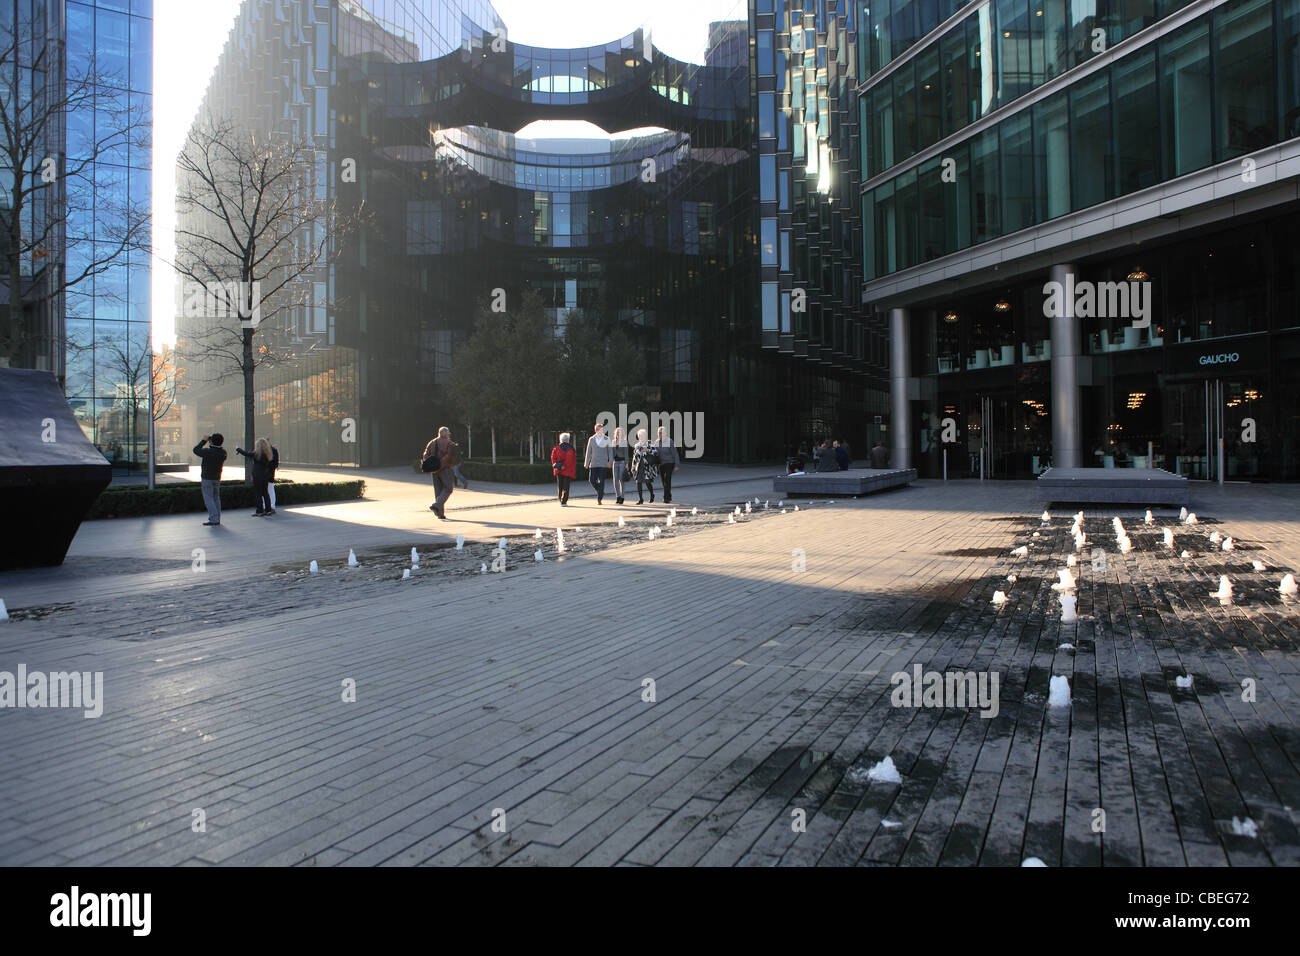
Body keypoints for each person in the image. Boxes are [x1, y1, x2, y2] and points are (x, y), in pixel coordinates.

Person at [235, 437, 279, 516]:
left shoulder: (257, 454)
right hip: (265, 475)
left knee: (258, 493)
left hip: (257, 475)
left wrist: (238, 449)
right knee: (265, 493)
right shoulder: (268, 454)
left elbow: (246, 454)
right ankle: (268, 510)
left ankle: (259, 511)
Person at [422, 426, 458, 519]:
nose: (449, 435)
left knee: (438, 491)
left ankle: (440, 514)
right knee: (448, 489)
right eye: (448, 433)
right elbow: (449, 457)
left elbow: (425, 455)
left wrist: (432, 466)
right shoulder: (450, 444)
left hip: (434, 471)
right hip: (445, 469)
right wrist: (440, 465)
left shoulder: (431, 442)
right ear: (446, 434)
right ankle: (436, 505)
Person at [193, 433, 227, 526]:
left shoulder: (208, 451)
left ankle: (213, 519)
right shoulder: (223, 452)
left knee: (209, 498)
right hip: (217, 477)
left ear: (211, 441)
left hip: (207, 478)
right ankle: (217, 518)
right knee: (216, 498)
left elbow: (195, 450)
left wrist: (203, 441)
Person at [583, 422, 613, 505]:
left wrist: (610, 462)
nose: (600, 430)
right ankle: (601, 491)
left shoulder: (607, 439)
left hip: (603, 464)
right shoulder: (591, 439)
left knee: (602, 481)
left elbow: (610, 452)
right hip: (593, 463)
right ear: (595, 430)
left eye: (601, 429)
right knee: (592, 480)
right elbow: (588, 452)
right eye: (599, 429)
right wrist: (586, 463)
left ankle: (599, 498)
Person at [631, 428, 659, 504]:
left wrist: (648, 450)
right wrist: (633, 468)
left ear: (645, 436)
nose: (641, 437)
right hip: (639, 466)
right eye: (640, 436)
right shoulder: (637, 445)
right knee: (638, 482)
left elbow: (656, 453)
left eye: (642, 436)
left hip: (648, 466)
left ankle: (652, 495)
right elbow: (634, 457)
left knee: (647, 482)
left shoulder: (649, 444)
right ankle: (641, 499)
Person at [655, 425, 680, 503]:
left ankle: (666, 498)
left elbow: (675, 453)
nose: (660, 434)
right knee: (663, 482)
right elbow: (655, 453)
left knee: (667, 480)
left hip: (670, 463)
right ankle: (669, 495)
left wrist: (677, 465)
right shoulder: (656, 442)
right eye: (659, 433)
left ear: (665, 433)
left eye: (661, 433)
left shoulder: (670, 441)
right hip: (661, 464)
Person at [550, 432, 577, 505]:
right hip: (567, 470)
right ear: (567, 440)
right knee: (566, 486)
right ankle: (564, 500)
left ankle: (560, 498)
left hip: (558, 470)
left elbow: (553, 458)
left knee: (560, 485)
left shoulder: (556, 448)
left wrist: (557, 465)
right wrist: (564, 466)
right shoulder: (570, 449)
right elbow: (570, 459)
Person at [610, 426, 629, 505]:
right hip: (615, 462)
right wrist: (610, 461)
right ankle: (618, 496)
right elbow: (611, 453)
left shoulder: (624, 442)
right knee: (615, 480)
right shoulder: (613, 442)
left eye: (620, 432)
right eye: (617, 432)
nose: (618, 433)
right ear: (616, 434)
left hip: (622, 462)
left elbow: (626, 453)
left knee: (621, 479)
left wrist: (627, 463)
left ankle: (622, 497)